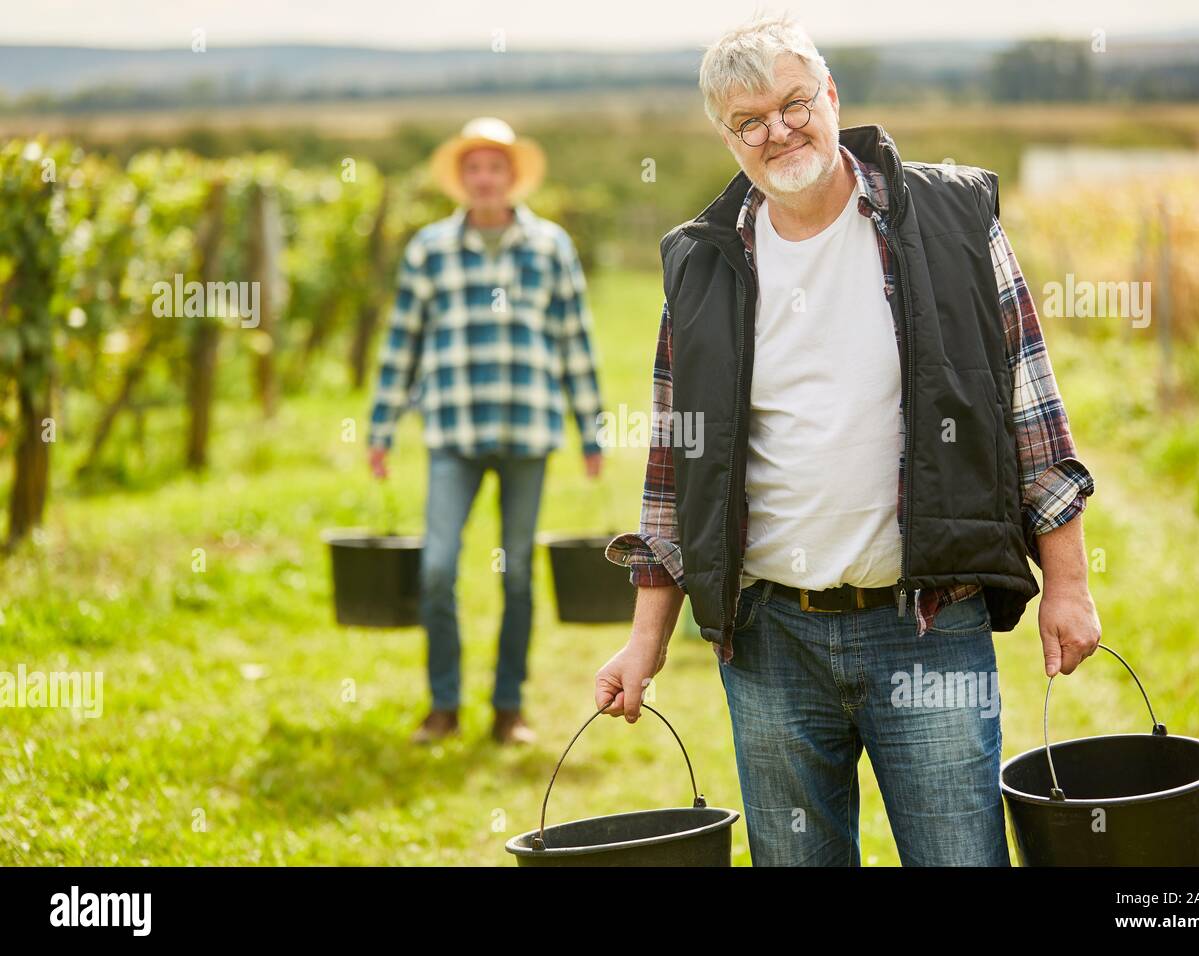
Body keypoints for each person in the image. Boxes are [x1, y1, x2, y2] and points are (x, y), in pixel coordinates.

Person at [595, 15, 1101, 864]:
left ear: (831, 96)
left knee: (959, 856)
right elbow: (672, 468)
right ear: (727, 138)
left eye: (794, 104)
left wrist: (1070, 583)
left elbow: (1030, 409)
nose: (778, 131)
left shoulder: (949, 218)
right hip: (769, 641)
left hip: (928, 621)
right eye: (748, 122)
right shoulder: (702, 261)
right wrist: (645, 640)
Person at [368, 117, 605, 746]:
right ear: (462, 179)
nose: (484, 179)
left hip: (528, 429)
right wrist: (381, 427)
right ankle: (443, 704)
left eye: (495, 168)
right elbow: (402, 344)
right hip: (454, 429)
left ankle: (509, 707)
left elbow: (574, 340)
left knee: (517, 573)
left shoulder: (550, 247)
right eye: (473, 169)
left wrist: (592, 430)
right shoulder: (430, 250)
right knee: (438, 568)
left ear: (511, 177)